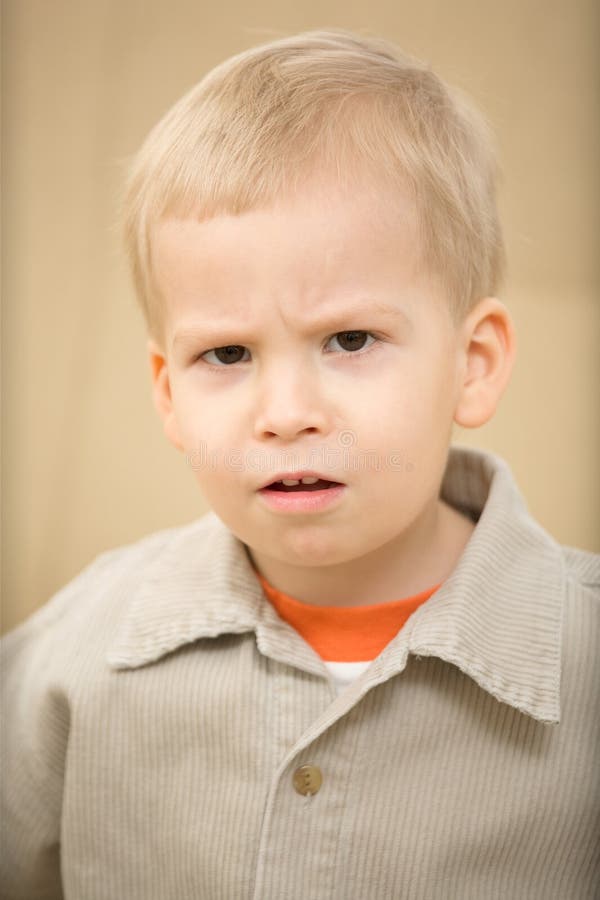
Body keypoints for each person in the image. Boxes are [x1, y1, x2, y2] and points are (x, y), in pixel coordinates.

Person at [1, 29, 598, 900]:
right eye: (228, 354)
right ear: (167, 391)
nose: (285, 415)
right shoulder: (76, 657)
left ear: (472, 363)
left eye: (349, 339)